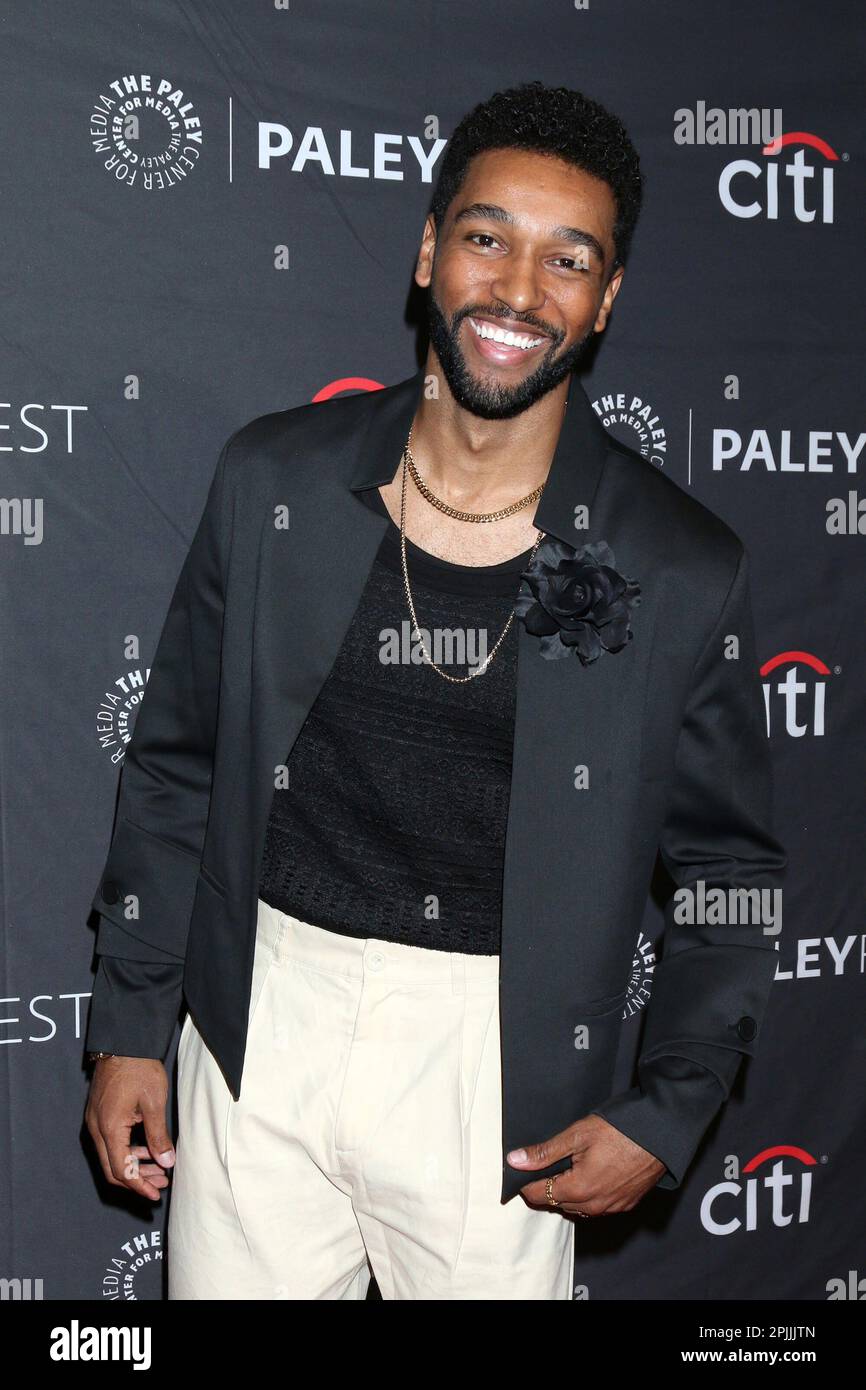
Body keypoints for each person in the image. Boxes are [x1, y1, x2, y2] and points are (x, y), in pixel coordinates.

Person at [84, 80, 786, 1301]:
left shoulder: (676, 562)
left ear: (606, 297)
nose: (519, 289)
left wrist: (670, 1105)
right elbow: (177, 762)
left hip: (495, 1064)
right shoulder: (273, 481)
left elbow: (731, 871)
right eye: (485, 237)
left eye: (567, 258)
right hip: (261, 1022)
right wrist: (133, 1020)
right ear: (425, 253)